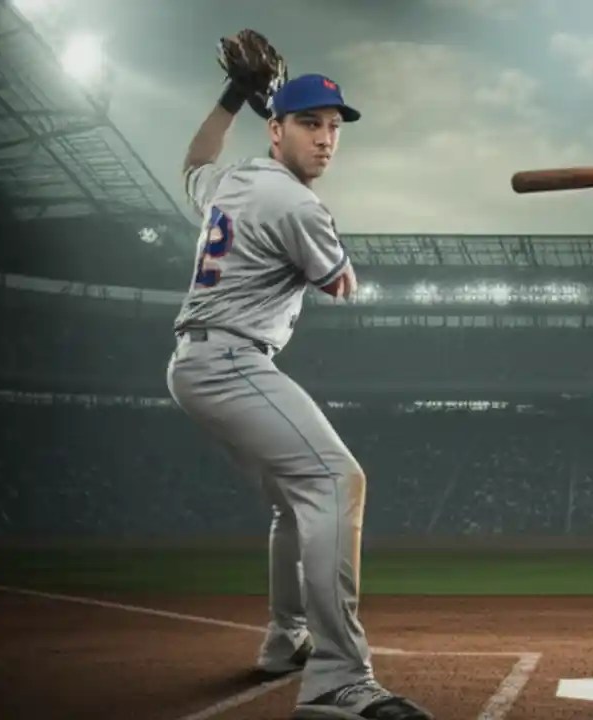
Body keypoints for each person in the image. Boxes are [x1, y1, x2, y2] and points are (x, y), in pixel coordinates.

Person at [166, 71, 433, 720]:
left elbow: (195, 162)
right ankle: (339, 676)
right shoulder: (297, 204)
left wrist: (233, 95)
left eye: (334, 127)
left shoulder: (235, 180)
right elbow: (341, 284)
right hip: (230, 360)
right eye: (310, 124)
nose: (326, 140)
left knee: (294, 500)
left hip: (198, 361)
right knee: (337, 480)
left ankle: (287, 638)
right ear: (277, 129)